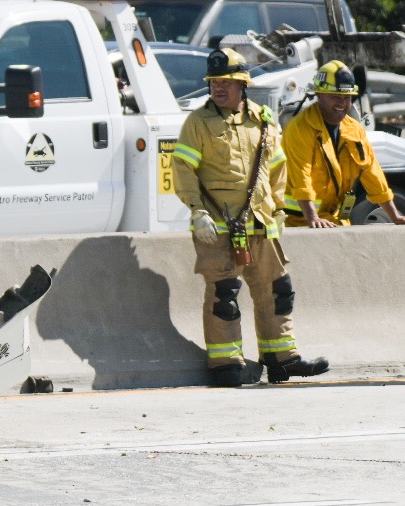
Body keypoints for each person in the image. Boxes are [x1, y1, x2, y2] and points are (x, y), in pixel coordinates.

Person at [172, 48, 329, 387]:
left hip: (261, 225)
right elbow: (182, 168)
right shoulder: (197, 123)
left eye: (225, 82)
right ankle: (226, 365)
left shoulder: (263, 120)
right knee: (223, 295)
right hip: (216, 228)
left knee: (277, 291)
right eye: (214, 82)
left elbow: (277, 170)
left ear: (243, 84)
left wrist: (277, 212)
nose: (218, 88)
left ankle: (282, 360)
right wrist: (197, 211)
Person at [283, 60, 405, 228]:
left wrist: (395, 216)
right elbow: (300, 176)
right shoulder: (299, 128)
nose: (342, 104)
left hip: (332, 221)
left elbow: (372, 174)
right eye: (335, 97)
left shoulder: (354, 130)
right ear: (319, 95)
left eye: (347, 98)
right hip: (296, 223)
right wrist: (312, 218)